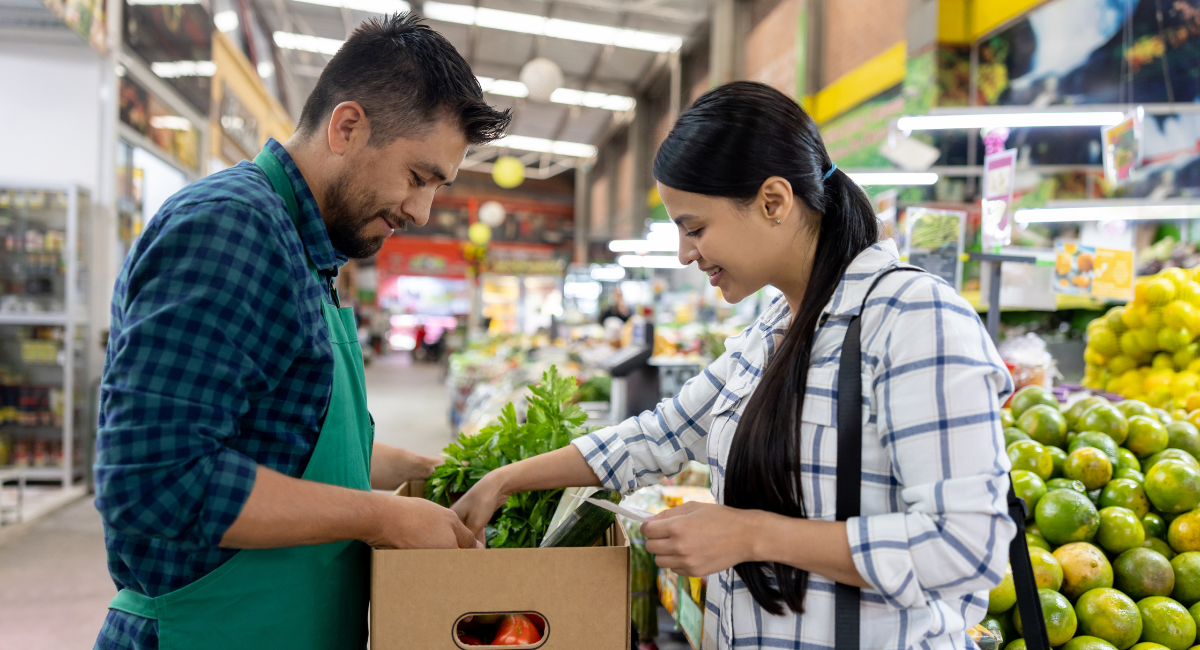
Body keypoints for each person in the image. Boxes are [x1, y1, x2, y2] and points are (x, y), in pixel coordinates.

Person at [453, 82, 1015, 649]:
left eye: (694, 227)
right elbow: (662, 434)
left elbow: (964, 547)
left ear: (774, 201)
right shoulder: (772, 329)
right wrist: (505, 480)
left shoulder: (915, 319)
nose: (684, 253)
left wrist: (752, 535)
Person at [93, 14, 510, 650]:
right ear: (347, 127)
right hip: (205, 632)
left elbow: (287, 446)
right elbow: (154, 481)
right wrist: (380, 517)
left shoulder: (305, 250)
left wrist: (434, 471)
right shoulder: (230, 231)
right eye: (419, 177)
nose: (421, 211)